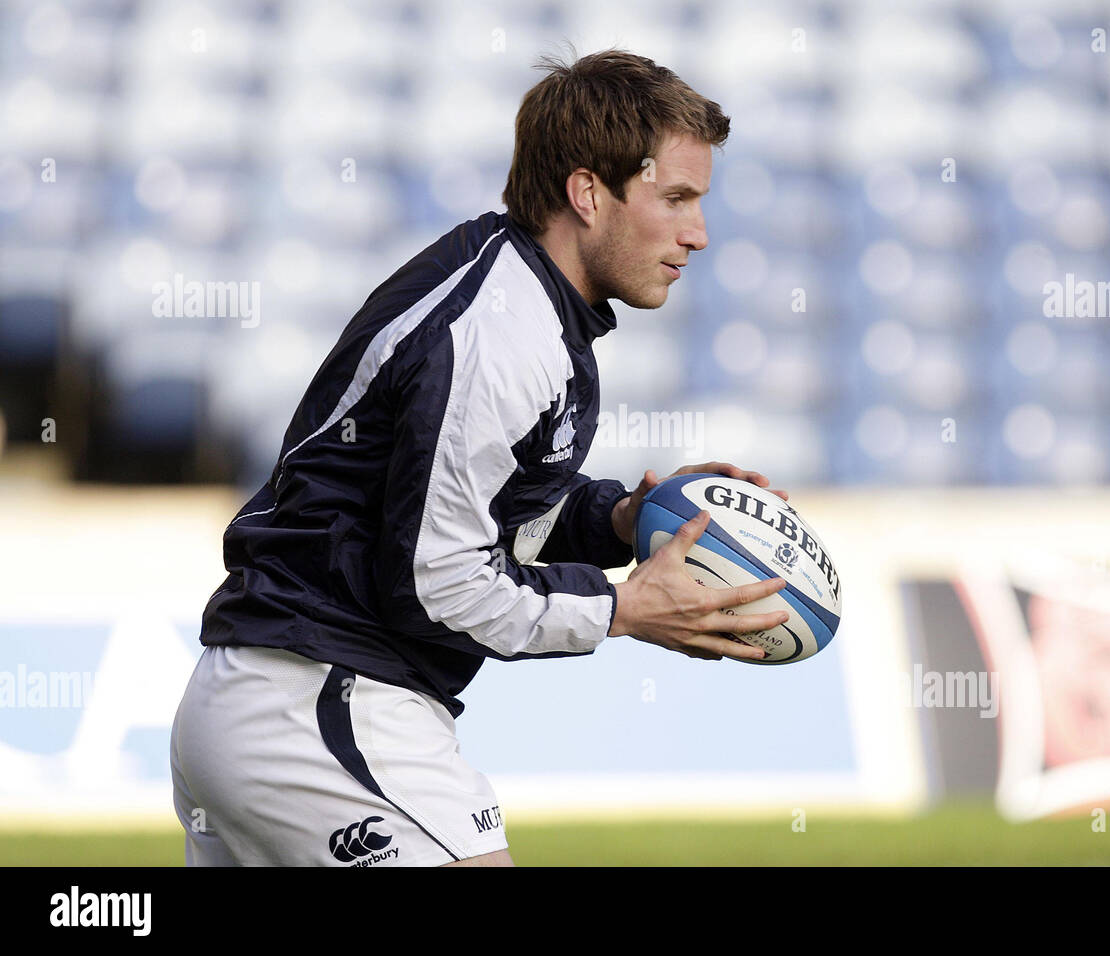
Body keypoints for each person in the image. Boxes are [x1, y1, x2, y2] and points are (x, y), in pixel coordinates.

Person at [169, 47, 790, 867]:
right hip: (322, 702)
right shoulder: (500, 335)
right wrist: (619, 609)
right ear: (588, 192)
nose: (698, 234)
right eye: (675, 197)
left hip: (274, 699)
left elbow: (483, 508)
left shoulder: (516, 295)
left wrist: (617, 520)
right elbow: (437, 583)